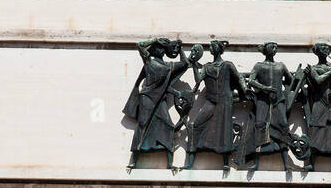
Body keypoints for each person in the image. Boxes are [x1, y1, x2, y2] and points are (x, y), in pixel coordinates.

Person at [123, 38, 191, 170]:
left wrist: (180, 47)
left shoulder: (168, 66)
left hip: (160, 100)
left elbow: (185, 63)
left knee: (168, 125)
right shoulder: (149, 62)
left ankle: (170, 163)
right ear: (154, 50)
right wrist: (154, 40)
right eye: (158, 48)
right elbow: (139, 45)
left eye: (162, 48)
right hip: (147, 99)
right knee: (143, 125)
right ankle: (134, 160)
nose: (161, 50)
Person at [183, 39, 247, 171]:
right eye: (210, 47)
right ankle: (190, 161)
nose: (210, 49)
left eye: (213, 46)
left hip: (225, 101)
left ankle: (225, 162)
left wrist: (244, 91)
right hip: (211, 101)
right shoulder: (207, 67)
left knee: (224, 129)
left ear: (218, 49)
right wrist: (194, 64)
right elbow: (198, 79)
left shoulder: (228, 65)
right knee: (196, 125)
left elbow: (239, 78)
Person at [294, 41, 331, 172]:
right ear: (317, 52)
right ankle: (312, 161)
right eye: (323, 48)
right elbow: (318, 80)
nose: (326, 50)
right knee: (316, 130)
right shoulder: (313, 68)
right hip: (320, 103)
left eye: (327, 48)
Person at [241, 41, 294, 171]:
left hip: (278, 101)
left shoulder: (281, 66)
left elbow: (291, 81)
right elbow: (251, 81)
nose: (275, 49)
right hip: (263, 101)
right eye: (272, 47)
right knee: (260, 126)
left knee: (283, 126)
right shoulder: (259, 66)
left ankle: (286, 164)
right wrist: (265, 88)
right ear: (266, 50)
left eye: (276, 47)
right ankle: (256, 163)